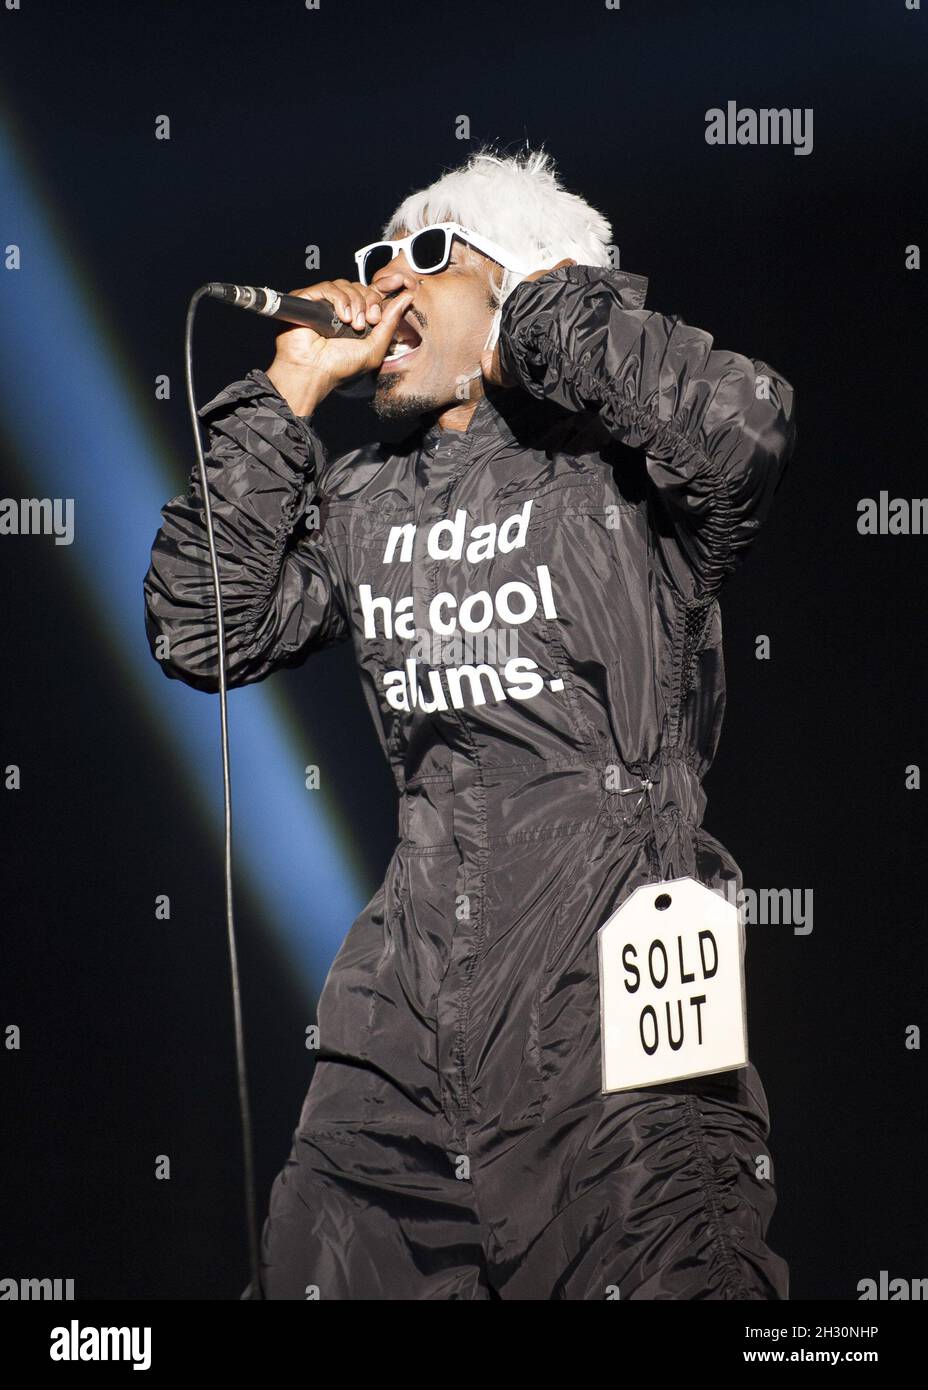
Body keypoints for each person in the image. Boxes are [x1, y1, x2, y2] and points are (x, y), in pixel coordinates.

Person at [143, 146, 796, 1300]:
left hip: (620, 1016)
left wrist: (533, 315)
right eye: (374, 256)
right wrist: (291, 388)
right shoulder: (365, 498)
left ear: (523, 283)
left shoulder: (618, 481)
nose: (387, 278)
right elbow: (203, 626)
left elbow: (741, 420)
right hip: (399, 1040)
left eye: (432, 253)